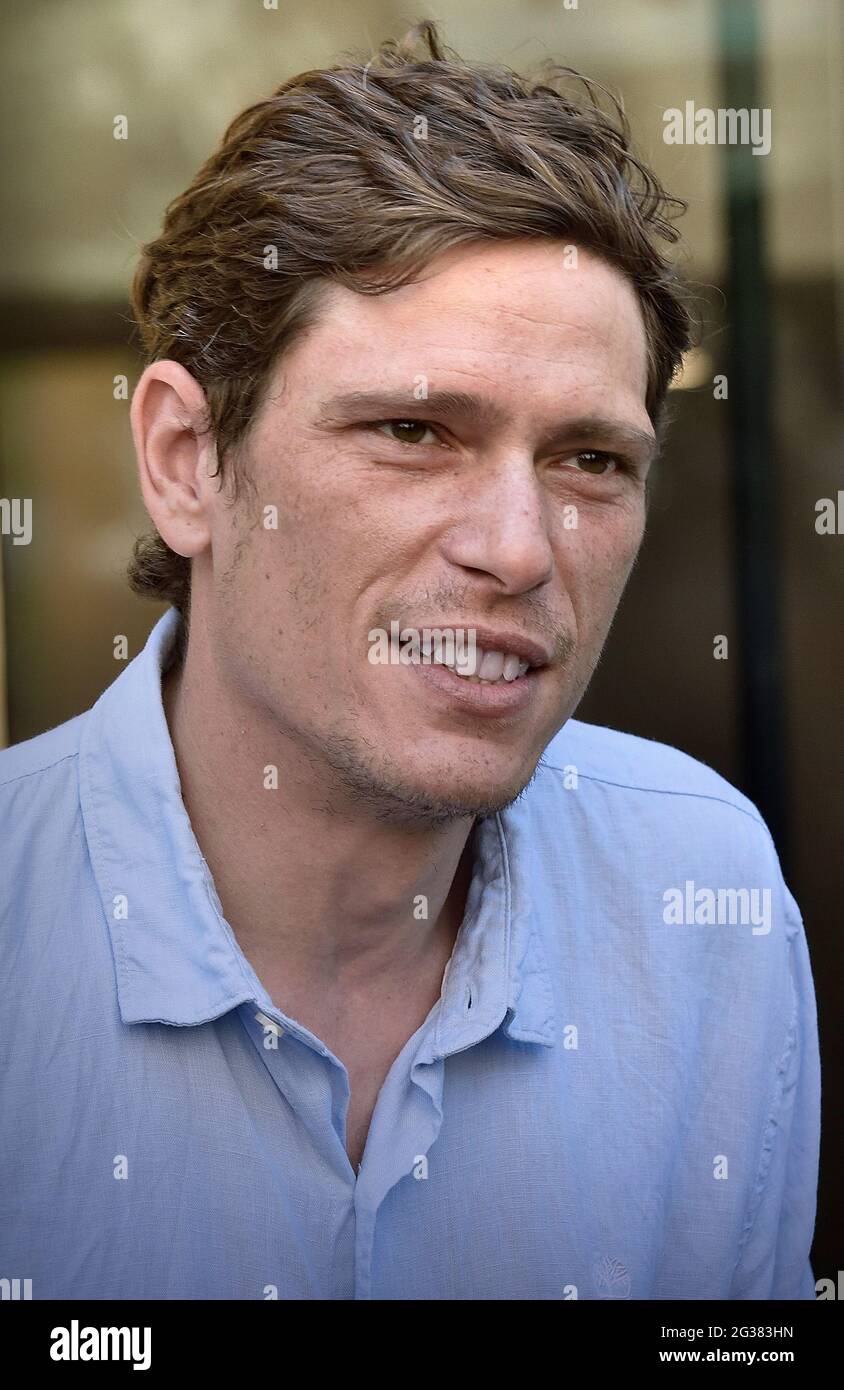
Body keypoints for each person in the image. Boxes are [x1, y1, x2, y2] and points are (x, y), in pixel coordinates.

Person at [0, 21, 819, 1300]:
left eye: (589, 460)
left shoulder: (700, 895)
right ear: (184, 461)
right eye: (413, 430)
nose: (518, 549)